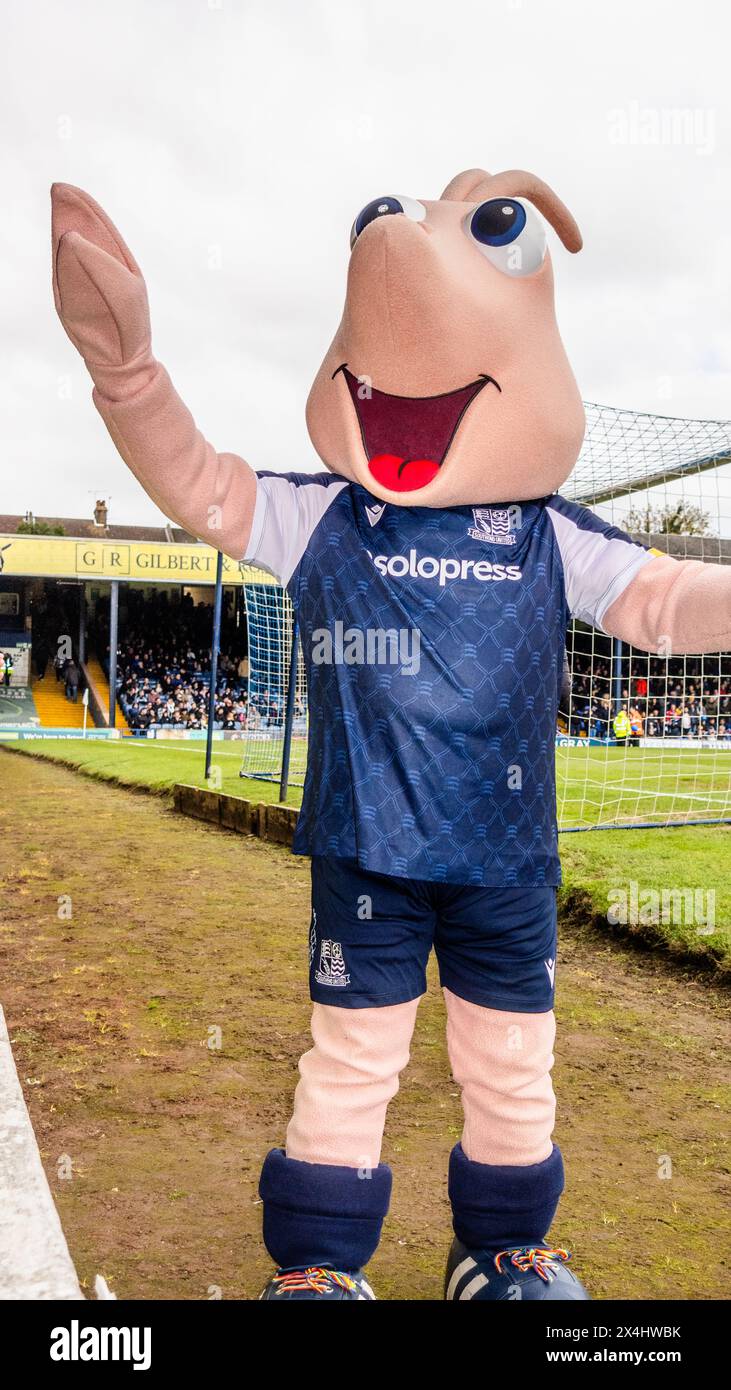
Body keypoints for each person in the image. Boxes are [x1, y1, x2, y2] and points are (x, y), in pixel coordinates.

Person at [52, 173, 731, 1303]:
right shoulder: (324, 512)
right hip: (366, 845)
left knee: (510, 1059)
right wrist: (129, 377)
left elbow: (661, 604)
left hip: (505, 858)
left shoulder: (548, 533)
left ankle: (502, 1251)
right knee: (354, 1053)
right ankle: (320, 1265)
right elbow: (202, 488)